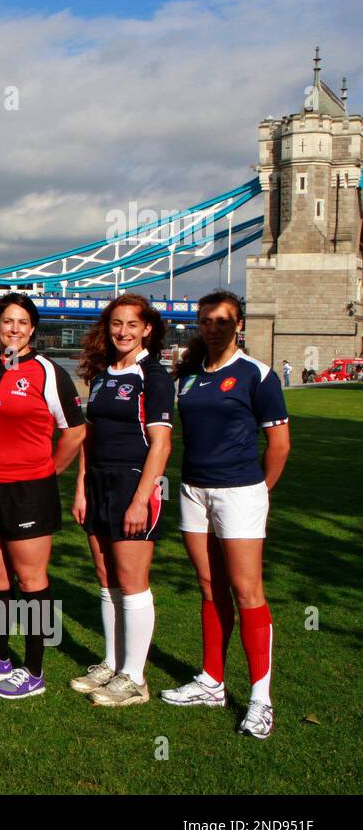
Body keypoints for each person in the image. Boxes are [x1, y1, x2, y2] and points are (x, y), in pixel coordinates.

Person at [161, 291, 290, 739]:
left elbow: (280, 445)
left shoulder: (258, 375)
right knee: (209, 587)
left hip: (239, 492)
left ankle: (260, 699)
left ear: (239, 325)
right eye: (205, 320)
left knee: (246, 589)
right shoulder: (190, 376)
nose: (212, 327)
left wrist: (260, 490)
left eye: (222, 320)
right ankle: (212, 681)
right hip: (194, 490)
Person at [0, 292, 85, 699]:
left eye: (21, 322)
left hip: (29, 489)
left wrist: (48, 470)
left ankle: (33, 670)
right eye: (6, 321)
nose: (13, 329)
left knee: (32, 581)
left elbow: (75, 430)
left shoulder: (46, 371)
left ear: (32, 328)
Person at [71, 294, 172, 706]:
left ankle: (135, 678)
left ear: (147, 328)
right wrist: (80, 487)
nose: (123, 332)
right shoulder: (102, 375)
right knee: (106, 575)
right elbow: (88, 438)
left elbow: (162, 444)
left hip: (134, 483)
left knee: (132, 582)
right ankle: (112, 664)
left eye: (132, 324)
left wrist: (140, 499)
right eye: (116, 324)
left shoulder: (154, 376)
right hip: (97, 482)